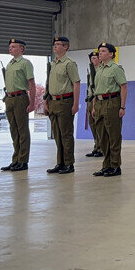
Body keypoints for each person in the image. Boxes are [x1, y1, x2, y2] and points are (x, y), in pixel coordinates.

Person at [45, 36, 80, 175]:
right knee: (57, 135)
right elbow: (49, 84)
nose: (55, 46)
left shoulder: (69, 63)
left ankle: (69, 163)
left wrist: (76, 104)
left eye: (58, 44)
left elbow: (76, 83)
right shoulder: (53, 64)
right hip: (53, 101)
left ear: (66, 47)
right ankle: (60, 162)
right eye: (54, 44)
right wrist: (45, 100)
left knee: (66, 134)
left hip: (65, 101)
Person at [92, 42, 127, 177]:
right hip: (99, 103)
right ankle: (106, 165)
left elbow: (123, 87)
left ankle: (115, 165)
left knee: (113, 136)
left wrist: (122, 106)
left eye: (103, 51)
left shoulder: (116, 68)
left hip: (112, 102)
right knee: (103, 137)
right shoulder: (99, 69)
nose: (100, 53)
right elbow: (96, 90)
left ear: (111, 54)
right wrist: (95, 106)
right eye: (99, 51)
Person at [0, 38, 35, 172]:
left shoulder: (25, 63)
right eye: (10, 46)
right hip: (9, 98)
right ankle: (16, 159)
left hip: (20, 98)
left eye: (14, 47)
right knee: (14, 130)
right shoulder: (9, 64)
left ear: (21, 49)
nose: (10, 48)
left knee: (22, 130)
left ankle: (23, 160)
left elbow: (31, 84)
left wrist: (32, 103)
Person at [85, 49, 104, 158]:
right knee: (92, 125)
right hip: (90, 99)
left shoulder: (100, 71)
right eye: (91, 58)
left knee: (99, 124)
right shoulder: (91, 71)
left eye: (95, 58)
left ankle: (101, 147)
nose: (93, 60)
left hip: (97, 100)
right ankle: (96, 146)